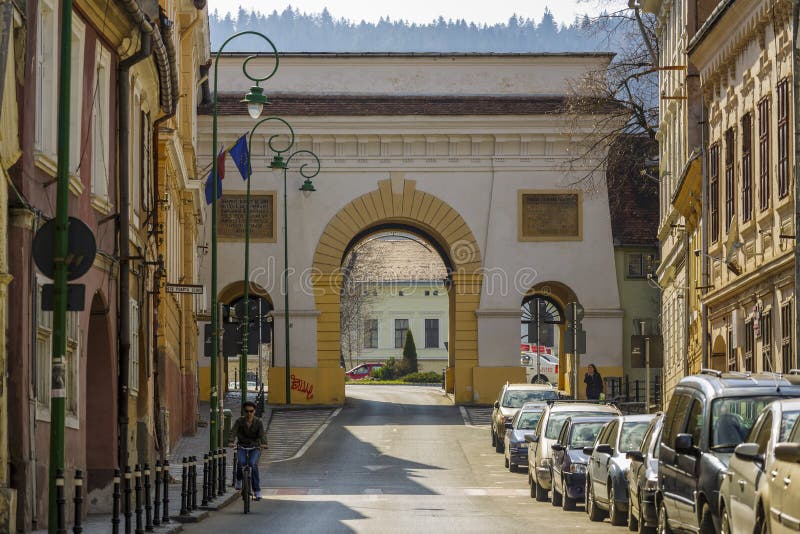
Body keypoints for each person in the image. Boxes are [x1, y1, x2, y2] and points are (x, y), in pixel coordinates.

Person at [227, 401, 268, 500]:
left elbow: (262, 434)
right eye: (247, 411)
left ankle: (257, 491)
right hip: (242, 446)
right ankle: (239, 479)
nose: (249, 413)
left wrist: (264, 443)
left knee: (253, 464)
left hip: (255, 447)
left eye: (251, 411)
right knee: (241, 462)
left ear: (254, 411)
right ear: (244, 412)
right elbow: (233, 431)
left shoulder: (259, 422)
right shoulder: (239, 421)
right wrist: (231, 441)